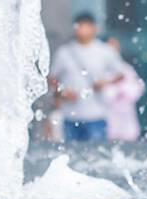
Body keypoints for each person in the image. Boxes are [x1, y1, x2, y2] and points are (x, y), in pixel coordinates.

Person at [48, 13, 128, 143]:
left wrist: (105, 82)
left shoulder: (104, 51)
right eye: (80, 27)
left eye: (86, 27)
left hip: (96, 114)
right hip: (70, 115)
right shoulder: (64, 53)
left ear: (94, 28)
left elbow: (121, 74)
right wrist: (62, 92)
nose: (83, 30)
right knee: (71, 155)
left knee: (96, 156)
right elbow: (51, 78)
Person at [101, 36, 145, 142]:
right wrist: (114, 91)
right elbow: (99, 93)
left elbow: (137, 88)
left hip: (127, 116)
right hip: (108, 116)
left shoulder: (127, 69)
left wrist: (123, 91)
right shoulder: (101, 69)